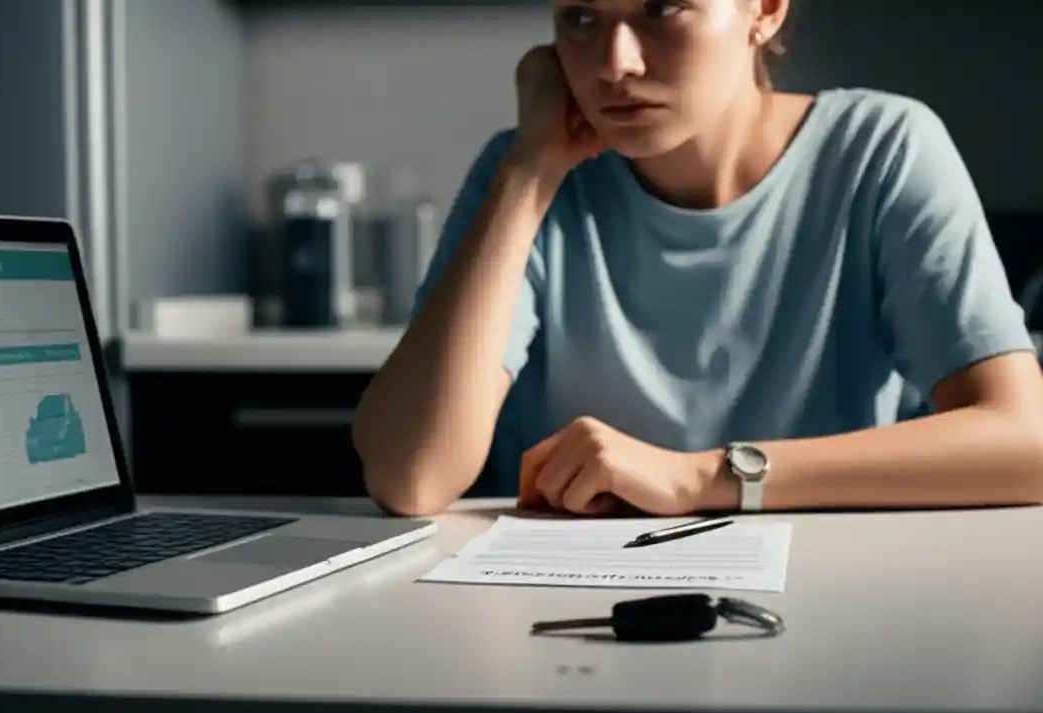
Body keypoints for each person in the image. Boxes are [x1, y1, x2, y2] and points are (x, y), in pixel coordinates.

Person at [351, 0, 1043, 518]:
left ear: (764, 10)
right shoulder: (526, 170)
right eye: (582, 17)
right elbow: (410, 476)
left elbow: (1026, 442)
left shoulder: (882, 147)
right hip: (562, 611)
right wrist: (529, 175)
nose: (615, 62)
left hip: (832, 595)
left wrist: (702, 478)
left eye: (662, 8)